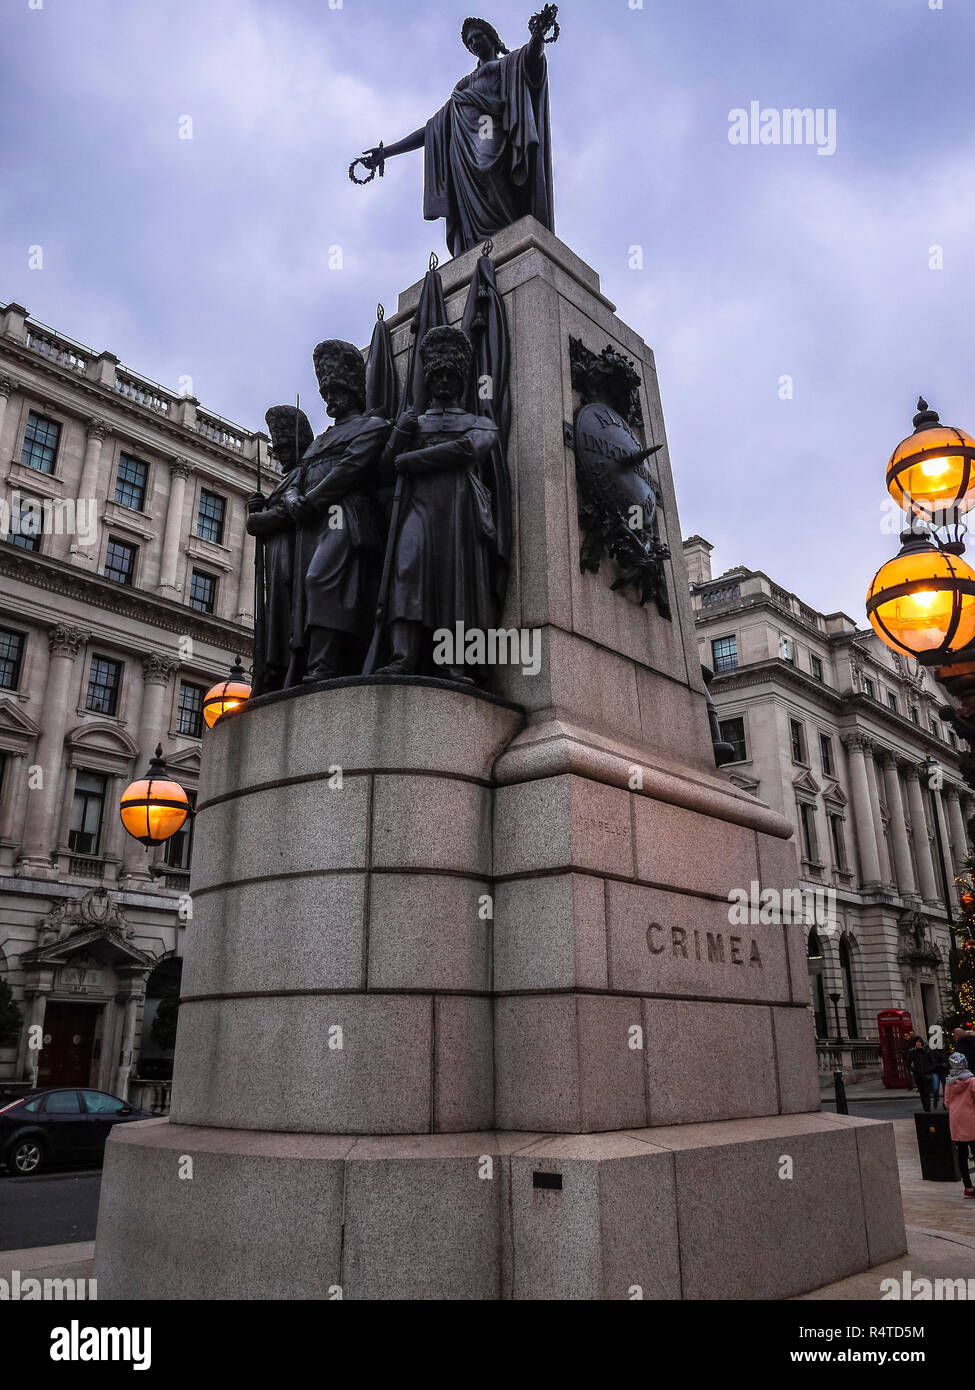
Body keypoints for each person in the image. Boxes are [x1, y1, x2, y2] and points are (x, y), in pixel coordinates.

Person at [353, 10, 559, 257]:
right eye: (470, 42)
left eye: (477, 37)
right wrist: (387, 152)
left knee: (488, 169)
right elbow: (431, 130)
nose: (473, 44)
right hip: (461, 156)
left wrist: (537, 36)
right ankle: (479, 250)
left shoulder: (508, 64)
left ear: (492, 38)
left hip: (492, 137)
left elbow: (532, 61)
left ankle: (511, 234)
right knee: (474, 191)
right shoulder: (463, 86)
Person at [376, 326, 498, 681]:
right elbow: (383, 469)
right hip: (416, 507)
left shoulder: (481, 423)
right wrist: (399, 432)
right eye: (437, 375)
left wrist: (412, 460)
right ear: (428, 379)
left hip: (459, 510)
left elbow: (466, 450)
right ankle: (402, 656)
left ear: (460, 380)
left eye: (450, 375)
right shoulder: (413, 424)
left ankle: (452, 661)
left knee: (453, 580)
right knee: (407, 569)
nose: (444, 380)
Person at [290, 341, 389, 683]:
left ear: (353, 390)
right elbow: (295, 479)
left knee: (320, 580)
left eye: (335, 391)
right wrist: (292, 500)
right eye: (326, 392)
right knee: (306, 589)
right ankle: (316, 662)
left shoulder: (372, 426)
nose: (329, 399)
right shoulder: (319, 440)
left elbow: (350, 469)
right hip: (311, 524)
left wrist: (311, 499)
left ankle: (324, 664)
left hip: (345, 517)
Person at [246, 405, 314, 694]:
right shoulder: (286, 479)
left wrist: (256, 519)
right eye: (277, 448)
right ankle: (272, 668)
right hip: (276, 557)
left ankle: (283, 666)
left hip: (291, 555)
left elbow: (288, 514)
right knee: (273, 614)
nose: (280, 454)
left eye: (285, 447)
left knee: (284, 612)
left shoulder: (303, 474)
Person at [943, 1050, 975, 1198]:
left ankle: (968, 1188)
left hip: (956, 1121)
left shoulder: (949, 1082)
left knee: (961, 1155)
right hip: (971, 1120)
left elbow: (947, 1103)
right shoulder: (972, 1080)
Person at [905, 1035, 937, 1112]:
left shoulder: (927, 1051)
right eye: (917, 1042)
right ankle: (925, 1107)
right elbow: (907, 1064)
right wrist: (914, 1070)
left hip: (927, 1076)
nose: (918, 1043)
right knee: (922, 1094)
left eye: (919, 1041)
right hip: (918, 1076)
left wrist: (928, 1070)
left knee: (927, 1094)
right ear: (914, 1043)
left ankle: (928, 1110)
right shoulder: (912, 1053)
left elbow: (933, 1063)